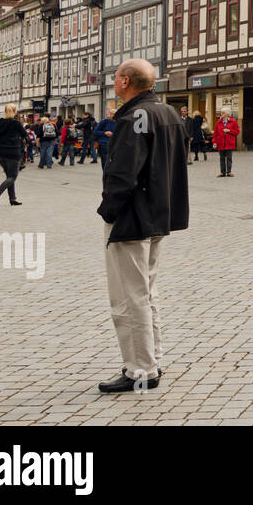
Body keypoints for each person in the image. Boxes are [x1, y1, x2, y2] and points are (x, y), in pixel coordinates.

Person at [96, 58, 189, 394]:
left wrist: (109, 209)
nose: (114, 83)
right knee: (147, 293)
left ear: (125, 81)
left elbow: (124, 170)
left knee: (128, 296)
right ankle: (151, 359)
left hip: (132, 217)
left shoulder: (134, 117)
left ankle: (140, 369)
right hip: (159, 214)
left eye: (115, 77)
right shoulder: (169, 114)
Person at [0, 105, 26, 206]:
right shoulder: (16, 123)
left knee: (9, 176)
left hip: (0, 153)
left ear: (4, 111)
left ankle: (13, 198)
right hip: (12, 152)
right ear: (15, 111)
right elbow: (24, 134)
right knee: (12, 176)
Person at [213, 107, 240, 176]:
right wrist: (214, 142)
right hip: (220, 143)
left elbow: (237, 132)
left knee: (229, 158)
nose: (221, 114)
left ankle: (229, 172)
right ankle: (222, 172)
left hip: (229, 143)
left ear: (228, 114)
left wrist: (229, 131)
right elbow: (216, 133)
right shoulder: (218, 122)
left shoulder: (233, 121)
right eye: (221, 112)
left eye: (223, 113)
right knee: (221, 158)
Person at [95, 107, 117, 177]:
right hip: (104, 143)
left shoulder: (119, 122)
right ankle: (105, 174)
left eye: (115, 114)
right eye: (112, 114)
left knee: (115, 160)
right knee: (105, 160)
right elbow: (95, 131)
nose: (113, 115)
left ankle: (112, 174)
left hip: (115, 144)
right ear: (109, 114)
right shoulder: (104, 122)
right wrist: (104, 133)